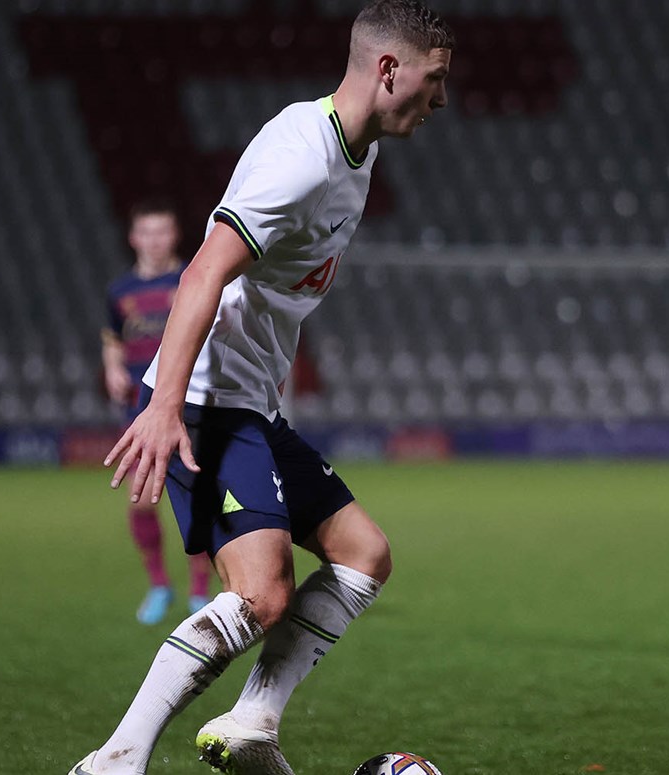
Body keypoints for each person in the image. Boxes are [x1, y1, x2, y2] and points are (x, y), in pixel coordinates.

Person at [69, 2, 452, 773]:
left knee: (364, 554)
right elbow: (204, 271)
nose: (442, 98)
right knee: (262, 593)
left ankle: (252, 721)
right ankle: (113, 760)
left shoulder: (358, 151)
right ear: (388, 70)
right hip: (206, 401)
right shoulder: (301, 154)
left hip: (249, 401)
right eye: (435, 79)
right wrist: (165, 407)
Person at [102, 200, 214, 624]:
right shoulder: (120, 291)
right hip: (140, 408)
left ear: (174, 235)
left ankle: (199, 590)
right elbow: (113, 338)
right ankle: (159, 585)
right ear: (134, 238)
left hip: (188, 402)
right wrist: (113, 368)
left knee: (196, 497)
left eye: (161, 231)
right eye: (146, 232)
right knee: (144, 499)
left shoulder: (192, 279)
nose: (154, 240)